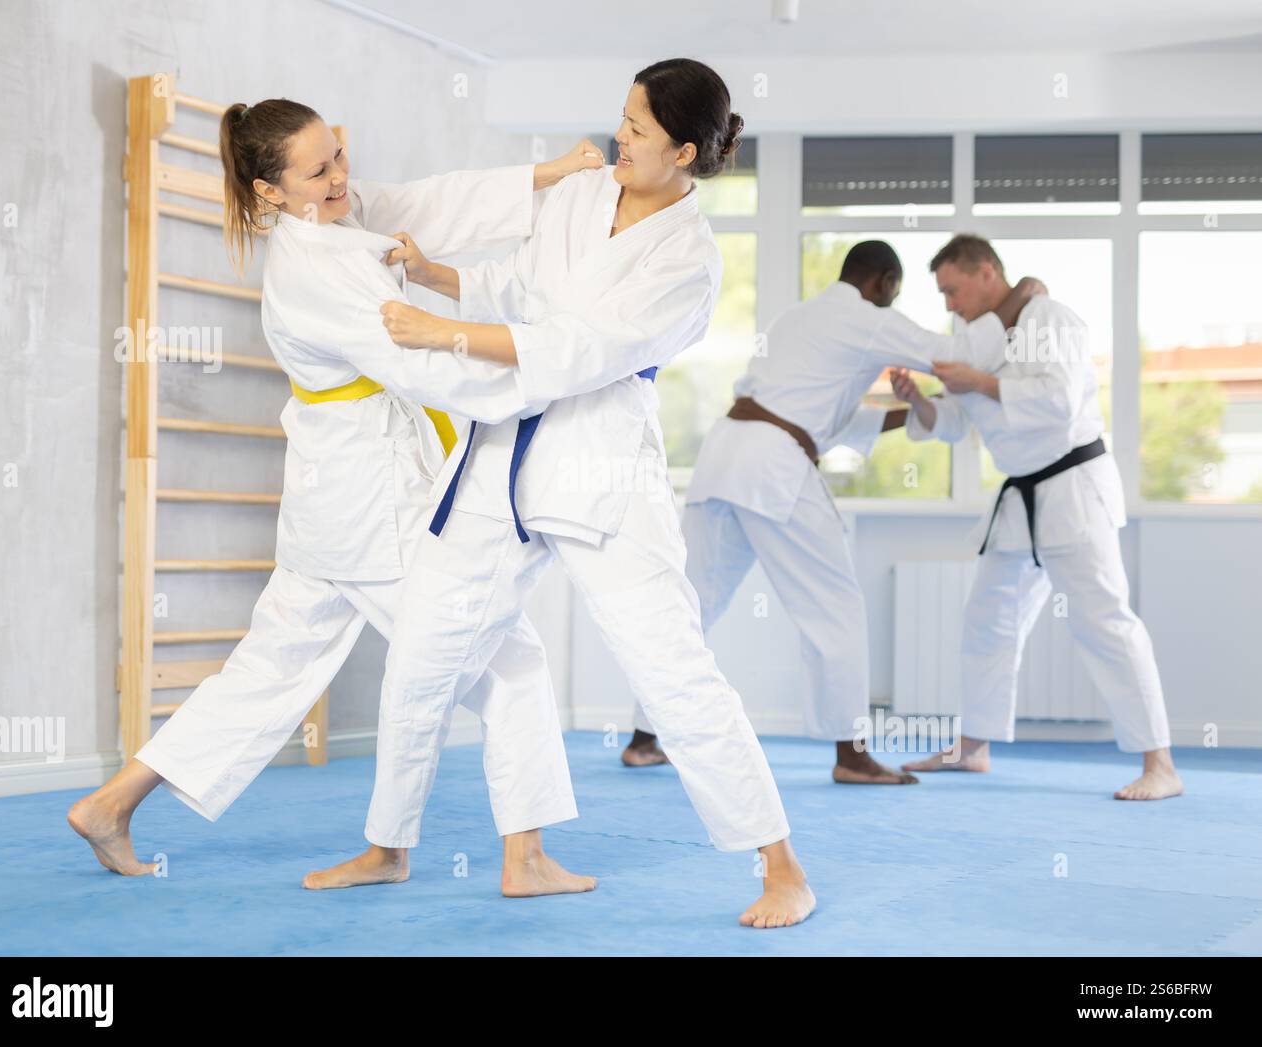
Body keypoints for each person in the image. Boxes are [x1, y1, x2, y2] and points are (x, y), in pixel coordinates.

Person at [313, 58, 816, 929]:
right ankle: (390, 844)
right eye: (622, 118)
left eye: (639, 131)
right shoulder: (585, 196)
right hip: (499, 450)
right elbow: (521, 286)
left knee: (672, 669)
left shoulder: (690, 262)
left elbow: (583, 347)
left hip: (599, 463)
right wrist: (438, 277)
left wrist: (445, 334)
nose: (618, 138)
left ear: (686, 152)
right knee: (424, 649)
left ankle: (781, 867)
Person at [69, 97, 605, 897]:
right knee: (506, 660)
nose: (340, 178)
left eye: (339, 157)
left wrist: (551, 173)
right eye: (318, 171)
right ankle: (505, 856)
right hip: (372, 507)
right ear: (270, 192)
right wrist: (548, 375)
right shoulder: (315, 266)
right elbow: (421, 364)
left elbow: (433, 200)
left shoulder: (338, 221)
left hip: (334, 502)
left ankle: (111, 801)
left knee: (271, 667)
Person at [623, 240, 1042, 782]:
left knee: (693, 603)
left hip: (725, 456)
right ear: (883, 283)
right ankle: (852, 755)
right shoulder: (863, 316)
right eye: (895, 293)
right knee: (837, 607)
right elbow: (954, 353)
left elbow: (828, 415)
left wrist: (914, 408)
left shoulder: (798, 318)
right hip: (774, 464)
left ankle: (642, 737)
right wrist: (1021, 298)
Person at [892, 234, 1182, 801]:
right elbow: (955, 422)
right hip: (1020, 499)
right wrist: (920, 400)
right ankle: (973, 747)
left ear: (986, 273)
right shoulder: (972, 338)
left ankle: (1160, 763)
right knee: (988, 616)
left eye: (953, 290)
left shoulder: (1050, 318)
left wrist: (977, 381)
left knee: (1104, 621)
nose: (949, 304)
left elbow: (1058, 400)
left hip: (1072, 485)